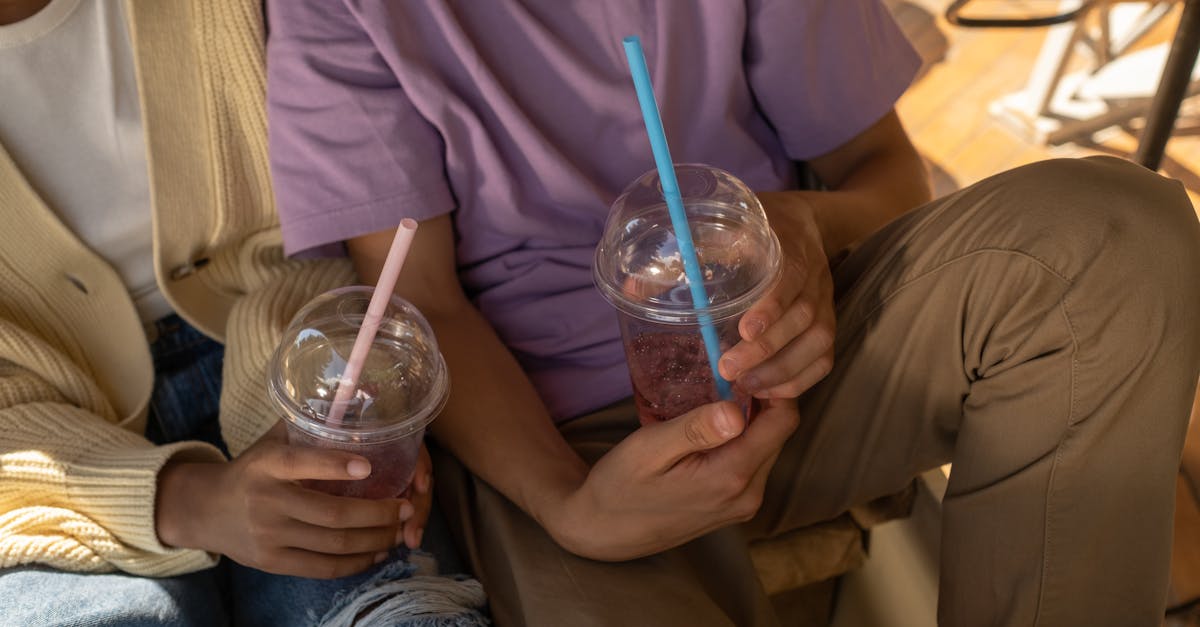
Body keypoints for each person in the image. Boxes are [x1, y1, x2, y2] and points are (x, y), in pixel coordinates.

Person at [265, 1, 1200, 626]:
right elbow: (422, 304)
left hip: (803, 361)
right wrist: (573, 507)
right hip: (566, 442)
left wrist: (804, 225)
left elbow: (885, 176)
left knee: (1117, 234)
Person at [0, 0, 485, 625]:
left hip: (296, 347)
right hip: (27, 449)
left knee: (392, 610)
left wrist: (351, 397)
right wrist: (182, 501)